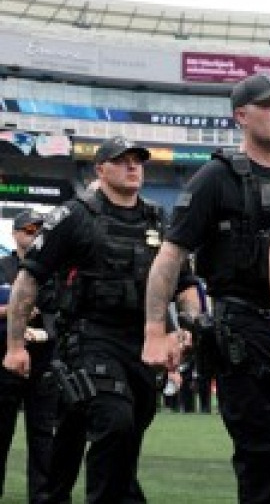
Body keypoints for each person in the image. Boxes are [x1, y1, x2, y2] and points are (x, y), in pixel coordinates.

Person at [142, 73, 270, 504]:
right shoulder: (215, 177)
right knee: (264, 460)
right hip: (244, 328)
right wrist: (156, 330)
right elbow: (170, 257)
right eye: (269, 105)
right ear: (241, 116)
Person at [4, 137, 198, 503]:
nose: (132, 167)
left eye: (137, 161)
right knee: (114, 421)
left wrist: (187, 330)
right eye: (121, 160)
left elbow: (184, 283)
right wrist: (15, 346)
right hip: (88, 336)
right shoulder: (74, 216)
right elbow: (28, 280)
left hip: (141, 343)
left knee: (119, 431)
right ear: (100, 169)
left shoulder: (158, 218)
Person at [0, 210, 57, 500]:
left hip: (44, 362)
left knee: (43, 438)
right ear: (15, 233)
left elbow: (61, 312)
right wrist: (13, 312)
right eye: (28, 229)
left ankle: (42, 498)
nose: (33, 234)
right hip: (4, 364)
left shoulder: (53, 270)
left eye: (38, 230)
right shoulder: (1, 267)